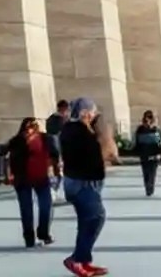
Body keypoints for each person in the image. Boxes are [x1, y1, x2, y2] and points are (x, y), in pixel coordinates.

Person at [60, 97, 117, 277]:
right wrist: (103, 135)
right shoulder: (76, 131)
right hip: (81, 183)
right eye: (92, 113)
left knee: (88, 221)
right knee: (96, 217)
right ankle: (77, 259)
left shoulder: (78, 130)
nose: (94, 116)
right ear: (85, 113)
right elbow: (102, 153)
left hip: (84, 182)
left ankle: (82, 260)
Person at [3, 117, 59, 248]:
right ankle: (29, 238)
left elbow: (55, 155)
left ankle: (43, 234)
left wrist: (56, 171)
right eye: (27, 127)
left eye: (32, 126)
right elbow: (4, 152)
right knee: (26, 209)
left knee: (46, 206)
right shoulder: (17, 141)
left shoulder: (46, 139)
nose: (29, 130)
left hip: (42, 177)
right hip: (22, 179)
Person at [134, 110, 161, 197]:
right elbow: (137, 142)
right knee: (145, 172)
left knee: (152, 172)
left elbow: (160, 143)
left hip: (154, 154)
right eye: (146, 117)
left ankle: (150, 188)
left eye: (150, 117)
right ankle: (148, 188)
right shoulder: (140, 129)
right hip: (144, 154)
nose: (147, 119)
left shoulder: (156, 130)